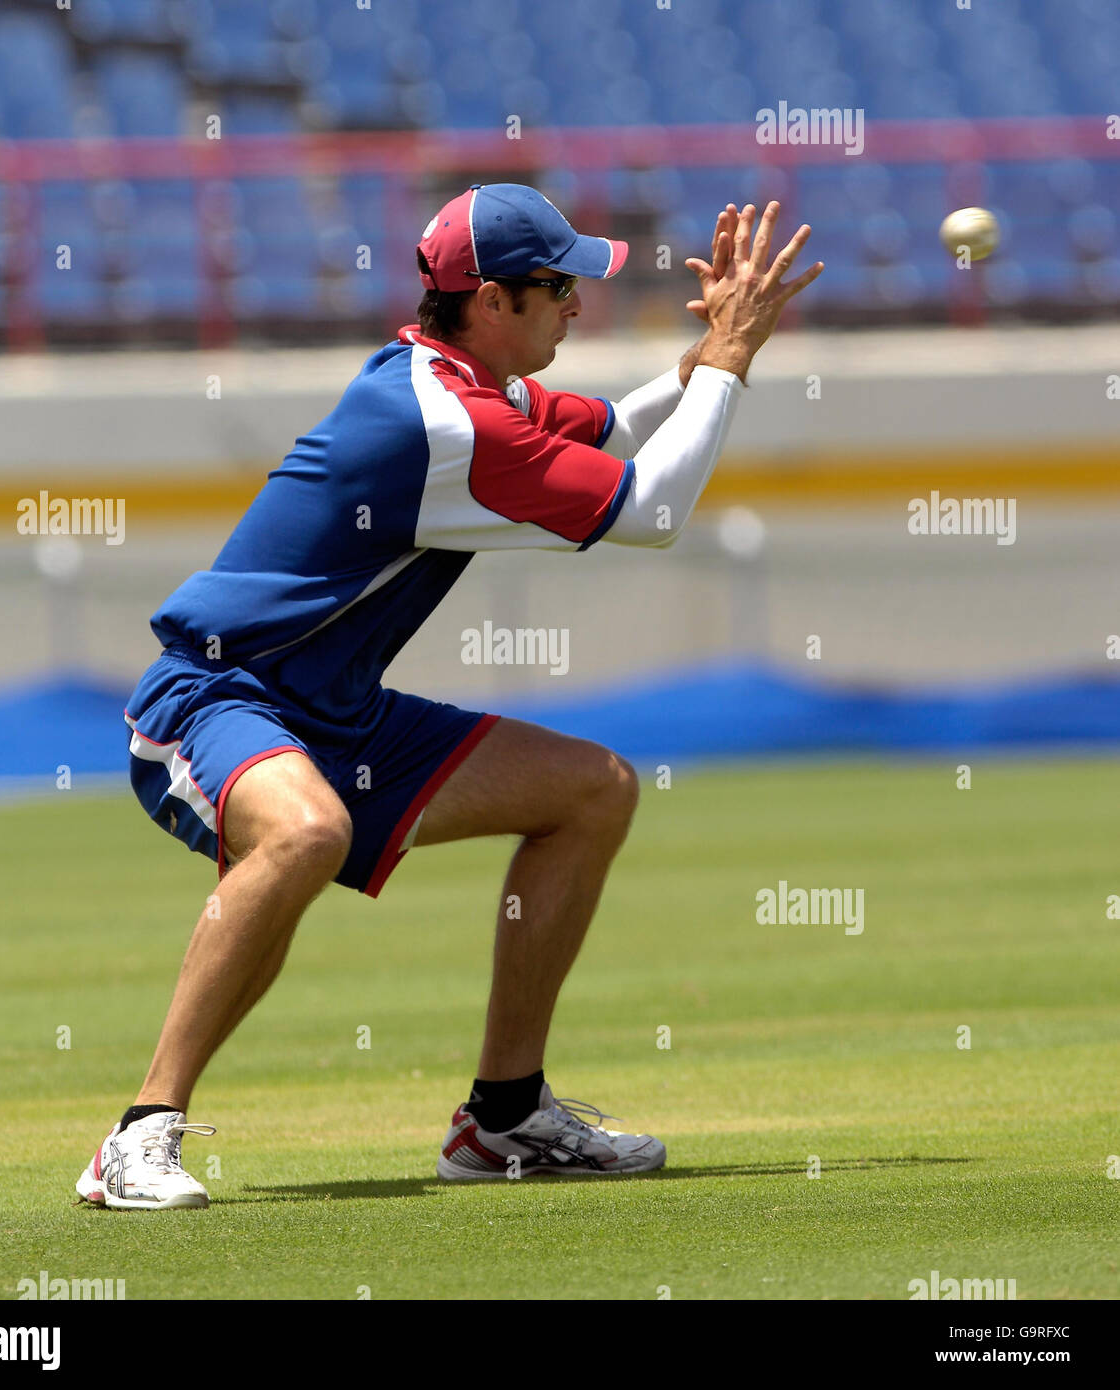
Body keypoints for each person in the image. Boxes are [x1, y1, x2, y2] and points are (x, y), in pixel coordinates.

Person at [76, 183, 822, 1208]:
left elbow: (612, 431)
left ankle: (503, 1117)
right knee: (303, 834)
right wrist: (728, 363)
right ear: (490, 302)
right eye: (556, 286)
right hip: (213, 699)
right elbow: (652, 510)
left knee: (590, 790)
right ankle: (135, 1136)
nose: (575, 304)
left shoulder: (467, 385)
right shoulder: (445, 420)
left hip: (335, 713)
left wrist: (707, 361)